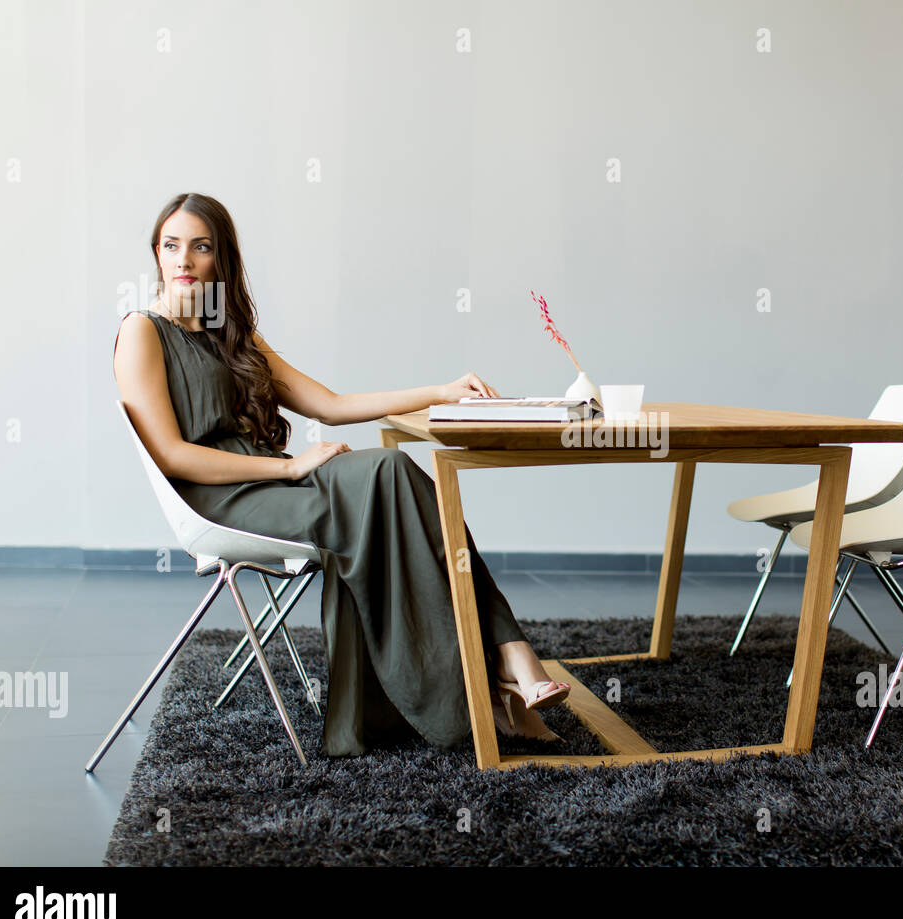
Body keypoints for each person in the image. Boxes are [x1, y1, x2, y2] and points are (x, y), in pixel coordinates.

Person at [111, 192, 568, 755]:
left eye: (199, 247)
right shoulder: (142, 331)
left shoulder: (231, 333)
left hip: (273, 480)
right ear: (156, 254)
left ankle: (502, 662)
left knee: (393, 471)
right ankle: (501, 666)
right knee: (381, 480)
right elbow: (173, 455)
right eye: (171, 245)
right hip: (217, 499)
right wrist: (289, 469)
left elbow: (329, 404)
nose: (183, 259)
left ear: (219, 259)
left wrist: (440, 391)